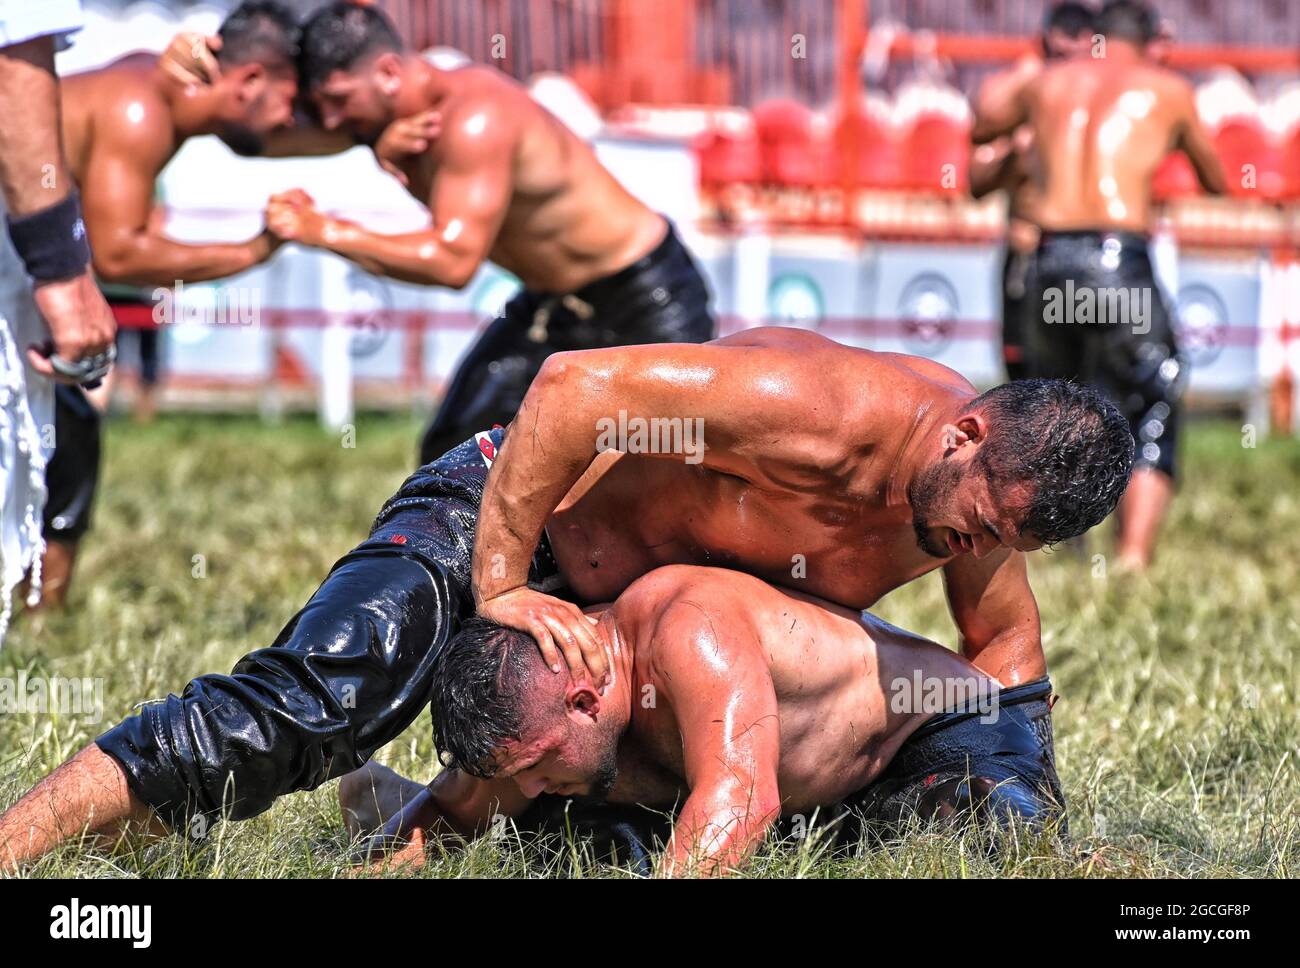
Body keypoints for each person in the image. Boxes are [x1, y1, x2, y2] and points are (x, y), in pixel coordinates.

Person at [0, 329, 1131, 872]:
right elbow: (572, 387)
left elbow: (1005, 641)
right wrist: (495, 577)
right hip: (522, 513)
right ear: (966, 432)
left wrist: (1023, 805)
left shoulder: (969, 506)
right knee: (322, 695)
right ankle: (21, 842)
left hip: (631, 636)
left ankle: (396, 825)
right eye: (981, 520)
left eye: (1002, 540)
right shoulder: (814, 407)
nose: (971, 548)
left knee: (582, 800)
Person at [340, 565, 1065, 877]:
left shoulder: (689, 632)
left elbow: (742, 800)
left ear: (586, 699)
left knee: (999, 839)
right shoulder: (537, 707)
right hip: (820, 793)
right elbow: (455, 816)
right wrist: (386, 851)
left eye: (535, 764)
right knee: (566, 835)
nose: (529, 781)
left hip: (941, 731)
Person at [260, 2, 715, 465]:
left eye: (338, 101)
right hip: (551, 303)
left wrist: (324, 230)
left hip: (645, 299)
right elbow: (264, 137)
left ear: (389, 72)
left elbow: (451, 261)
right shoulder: (391, 124)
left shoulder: (475, 118)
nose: (332, 122)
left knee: (663, 469)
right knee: (456, 448)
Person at [972, 0, 1227, 570]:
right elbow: (1218, 179)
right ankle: (1132, 558)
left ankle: (1040, 549)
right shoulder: (1166, 88)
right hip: (1118, 262)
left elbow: (984, 121)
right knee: (1152, 396)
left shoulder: (1047, 82)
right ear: (1150, 42)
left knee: (1051, 407)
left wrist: (1027, 80)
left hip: (1049, 259)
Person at [0, 0, 116, 635]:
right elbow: (13, 55)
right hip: (28, 252)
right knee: (55, 422)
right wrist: (63, 269)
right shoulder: (138, 111)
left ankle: (44, 606)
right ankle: (40, 605)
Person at [969, 2, 1095, 381]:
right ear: (1044, 47)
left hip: (1091, 260)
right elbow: (975, 183)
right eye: (1059, 56)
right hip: (1028, 257)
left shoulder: (1104, 104)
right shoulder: (1020, 97)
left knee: (1090, 384)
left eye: (1076, 56)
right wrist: (1016, 153)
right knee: (1027, 386)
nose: (1067, 67)